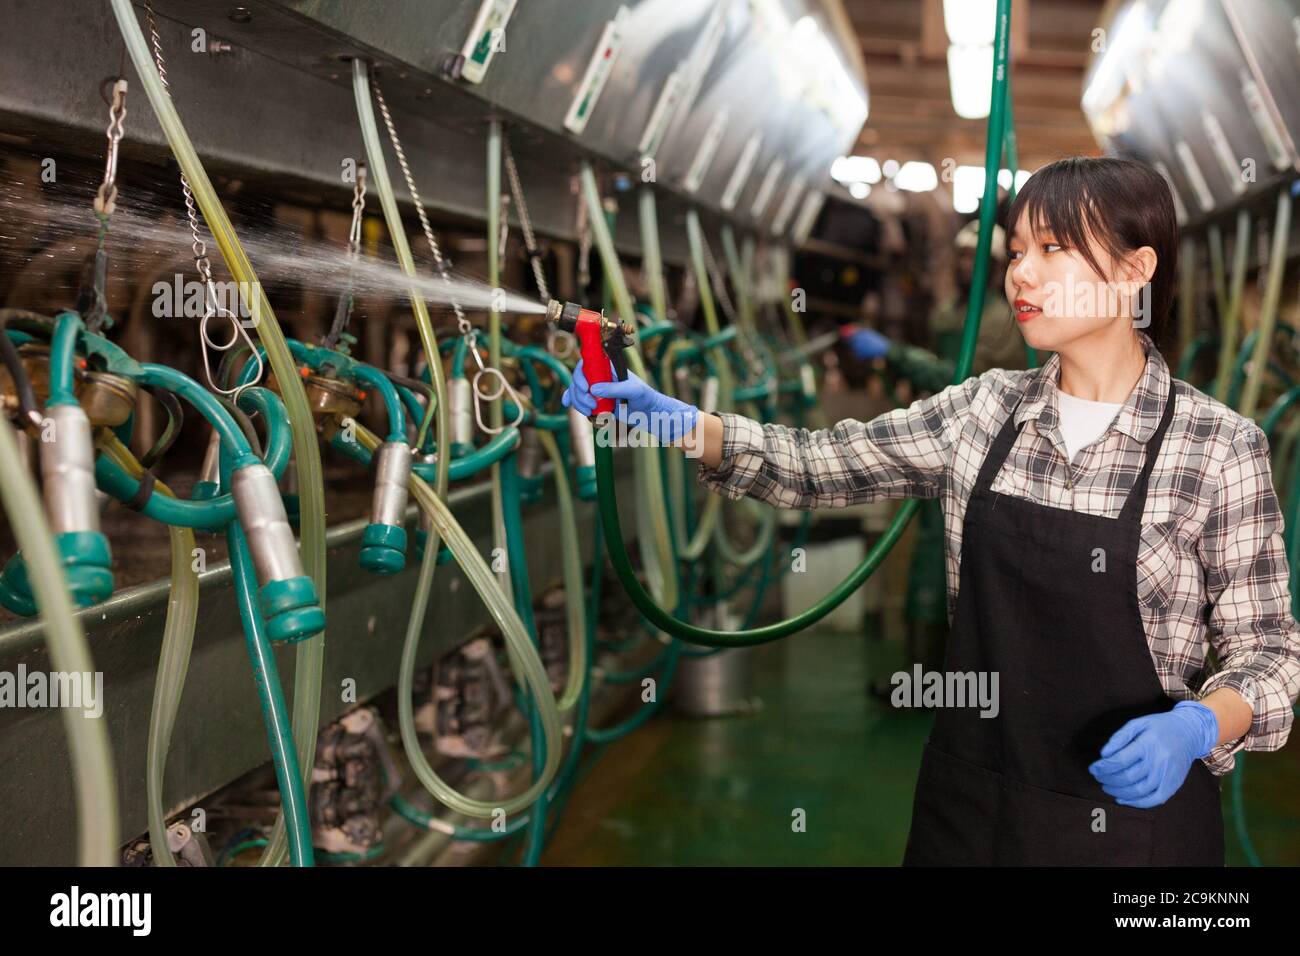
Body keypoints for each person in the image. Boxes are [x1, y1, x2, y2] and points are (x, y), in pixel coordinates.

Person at [563, 156, 1300, 865]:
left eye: (1053, 248)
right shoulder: (982, 412)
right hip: (970, 808)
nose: (1023, 273)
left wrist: (1202, 723)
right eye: (1016, 251)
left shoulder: (1218, 448)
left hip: (1134, 832)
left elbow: (1271, 656)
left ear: (1137, 269)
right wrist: (677, 422)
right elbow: (819, 465)